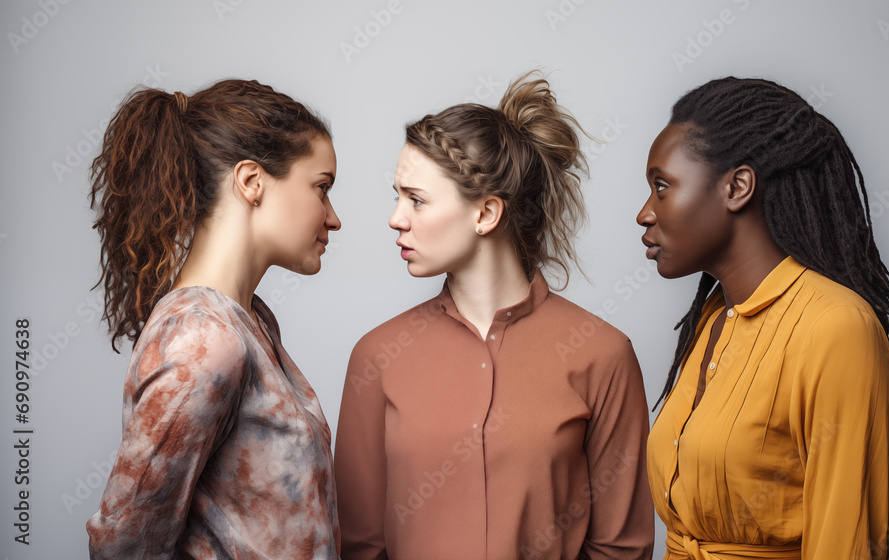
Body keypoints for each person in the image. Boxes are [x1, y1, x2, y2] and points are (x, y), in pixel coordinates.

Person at [335, 71, 654, 560]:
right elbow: (359, 546)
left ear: (486, 213)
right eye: (398, 196)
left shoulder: (602, 354)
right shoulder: (376, 356)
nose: (396, 218)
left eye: (416, 199)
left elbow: (621, 547)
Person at [637, 77, 889, 560]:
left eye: (662, 187)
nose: (644, 214)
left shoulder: (836, 328)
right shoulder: (713, 319)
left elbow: (846, 543)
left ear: (737, 187)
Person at [86, 79, 343, 559]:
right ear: (251, 182)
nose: (333, 218)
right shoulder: (205, 338)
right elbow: (124, 546)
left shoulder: (250, 320)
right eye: (321, 188)